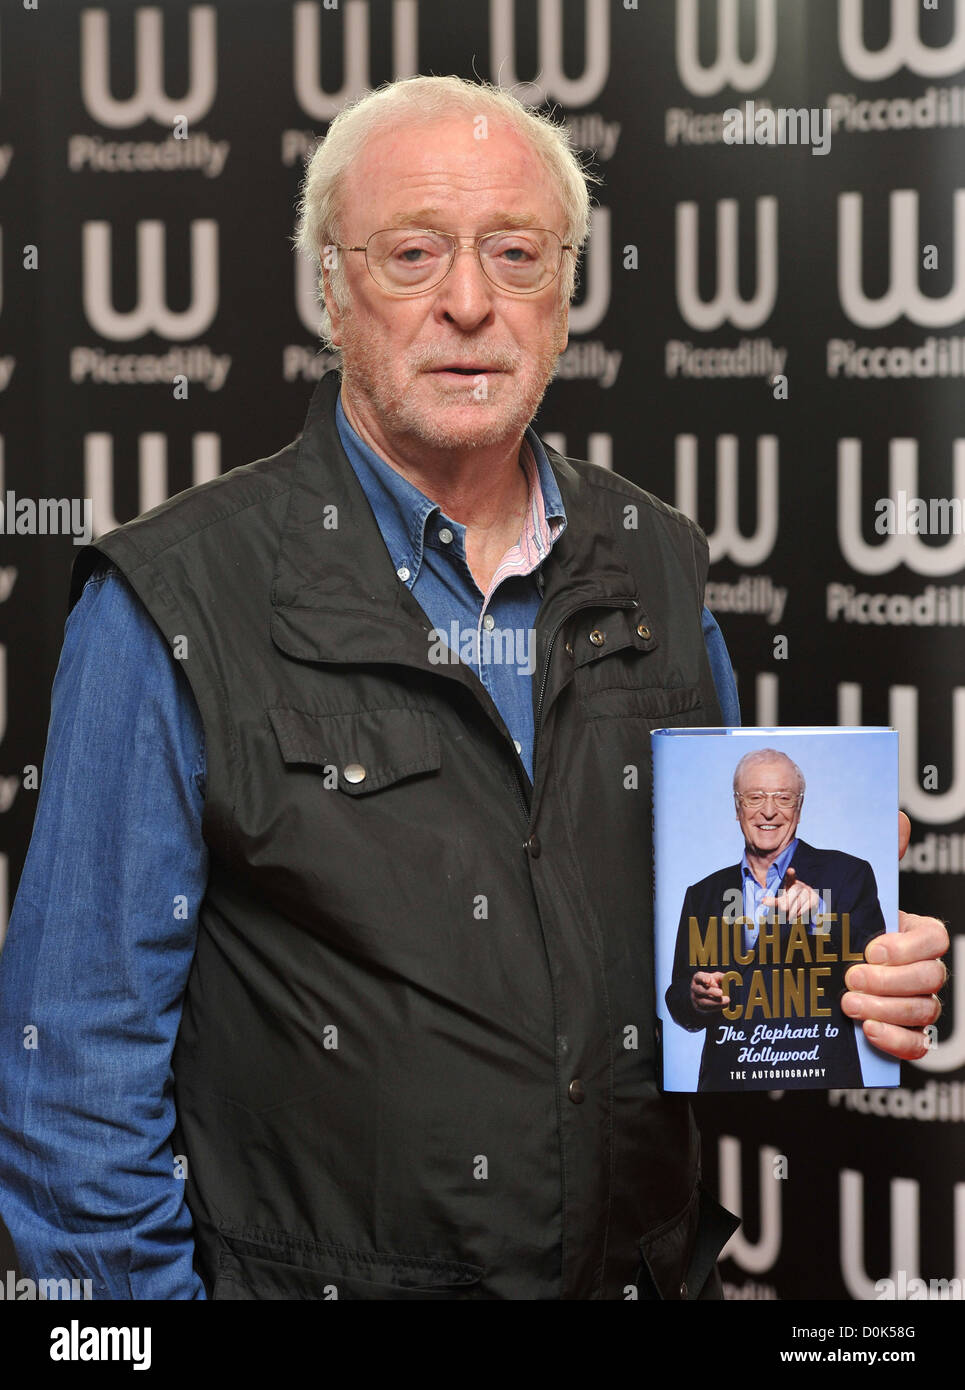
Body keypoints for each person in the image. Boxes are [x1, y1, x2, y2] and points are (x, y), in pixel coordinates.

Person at [0, 76, 949, 1301]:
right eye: (412, 254)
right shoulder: (167, 601)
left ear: (564, 292)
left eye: (513, 253)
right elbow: (71, 1099)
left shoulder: (655, 557)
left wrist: (846, 962)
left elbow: (698, 964)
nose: (467, 301)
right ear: (330, 288)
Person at [665, 748, 892, 1091]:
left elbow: (873, 978)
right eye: (755, 797)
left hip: (821, 1086)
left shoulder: (849, 874)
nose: (768, 811)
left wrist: (820, 918)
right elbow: (678, 992)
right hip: (726, 1088)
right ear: (737, 806)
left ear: (798, 808)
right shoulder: (703, 893)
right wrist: (695, 999)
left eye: (783, 798)